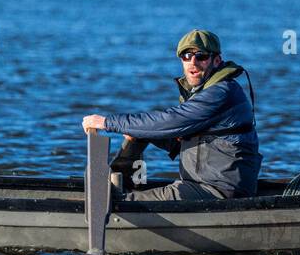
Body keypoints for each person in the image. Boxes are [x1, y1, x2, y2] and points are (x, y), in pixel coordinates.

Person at [82, 29, 261, 201]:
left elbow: (170, 121)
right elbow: (181, 142)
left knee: (125, 203)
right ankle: (118, 184)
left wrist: (107, 122)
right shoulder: (204, 91)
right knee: (139, 133)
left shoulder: (221, 93)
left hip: (219, 191)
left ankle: (117, 200)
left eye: (201, 56)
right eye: (186, 56)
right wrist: (137, 132)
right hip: (204, 184)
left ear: (216, 61)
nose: (193, 62)